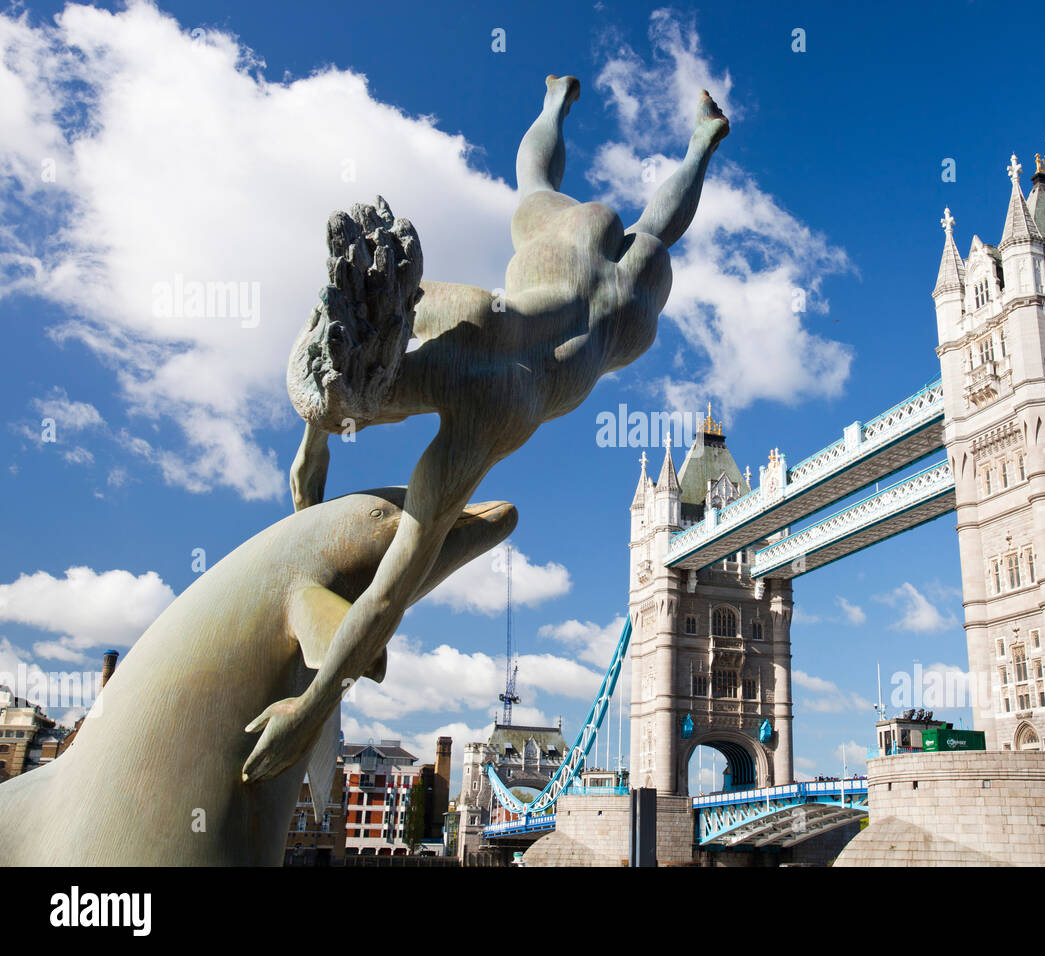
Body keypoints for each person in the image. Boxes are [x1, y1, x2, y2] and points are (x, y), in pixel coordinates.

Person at [243, 76, 729, 783]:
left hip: (625, 315)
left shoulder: (487, 419)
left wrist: (313, 706)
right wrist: (316, 432)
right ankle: (567, 106)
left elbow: (386, 595)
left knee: (653, 235)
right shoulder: (452, 309)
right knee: (535, 181)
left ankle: (699, 143)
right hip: (565, 252)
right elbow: (352, 345)